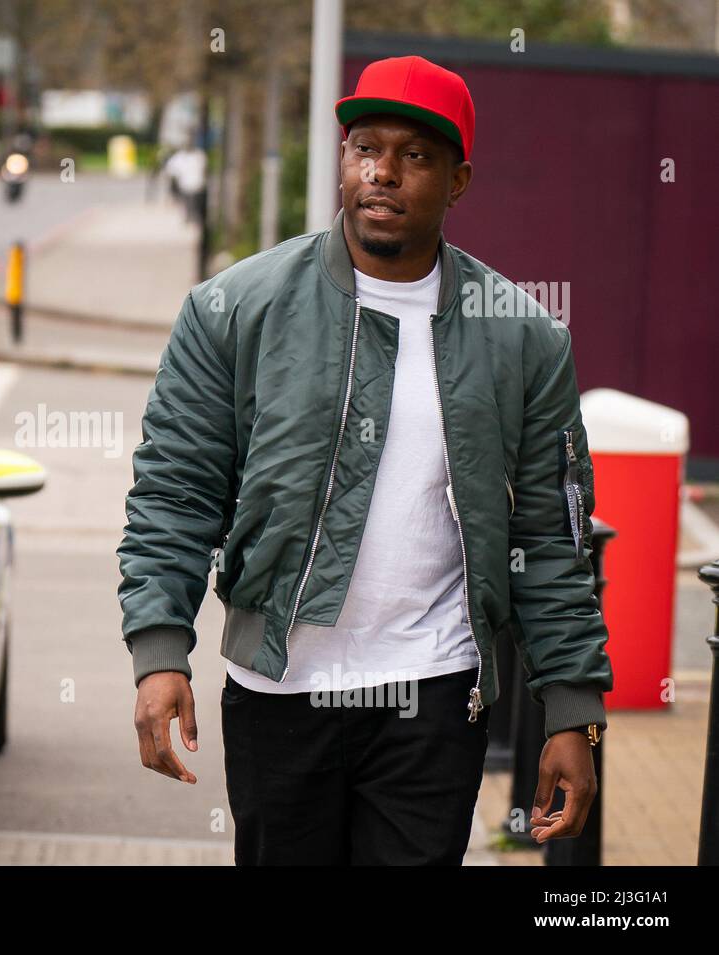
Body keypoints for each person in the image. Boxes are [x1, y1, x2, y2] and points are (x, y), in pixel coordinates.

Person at [117, 55, 612, 865]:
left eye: (415, 155)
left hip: (437, 695)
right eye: (364, 147)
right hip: (281, 693)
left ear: (457, 181)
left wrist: (572, 708)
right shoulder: (234, 310)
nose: (382, 171)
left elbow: (551, 538)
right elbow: (177, 493)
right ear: (343, 159)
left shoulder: (523, 338)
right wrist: (160, 647)